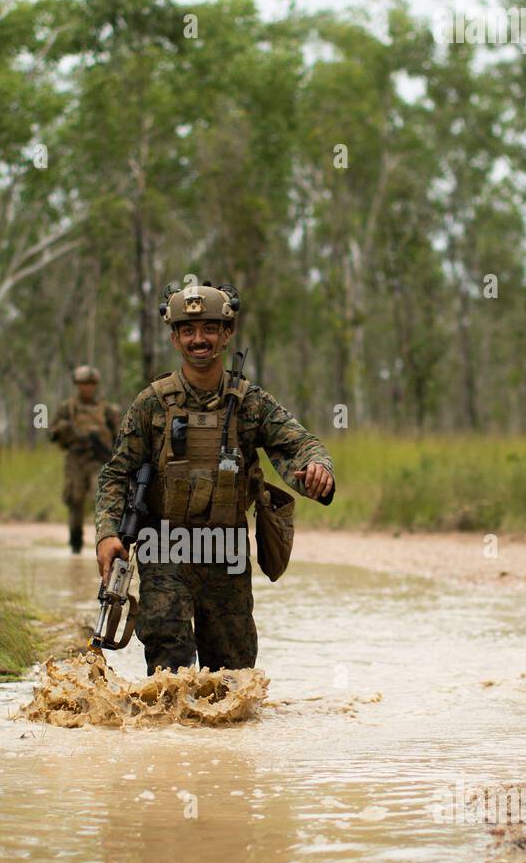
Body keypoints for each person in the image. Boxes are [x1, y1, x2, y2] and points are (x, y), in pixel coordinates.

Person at [95, 280, 335, 673]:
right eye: (188, 330)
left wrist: (318, 467)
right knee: (169, 662)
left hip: (225, 550)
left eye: (209, 329)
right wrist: (107, 534)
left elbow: (300, 444)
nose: (199, 339)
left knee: (233, 676)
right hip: (164, 545)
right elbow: (116, 474)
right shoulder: (151, 404)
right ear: (175, 338)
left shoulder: (251, 403)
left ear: (227, 334)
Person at [49, 365, 120, 553]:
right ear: (77, 385)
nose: (86, 388)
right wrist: (64, 430)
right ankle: (75, 545)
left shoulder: (107, 409)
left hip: (98, 460)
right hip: (76, 460)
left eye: (90, 384)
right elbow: (52, 433)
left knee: (102, 500)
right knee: (75, 500)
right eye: (83, 384)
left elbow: (118, 438)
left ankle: (104, 543)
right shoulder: (68, 408)